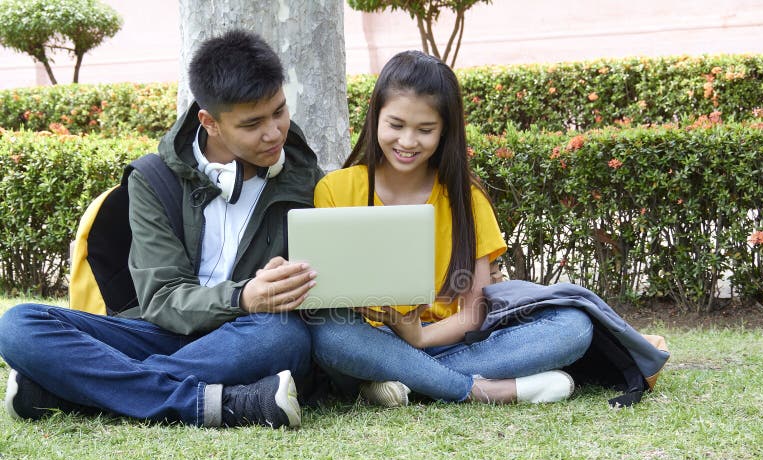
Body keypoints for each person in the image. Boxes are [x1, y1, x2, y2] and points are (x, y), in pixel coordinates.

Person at [0, 30, 323, 428]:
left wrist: (280, 288)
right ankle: (218, 403)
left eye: (279, 111)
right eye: (253, 123)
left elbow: (316, 286)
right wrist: (242, 296)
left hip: (246, 336)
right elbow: (163, 299)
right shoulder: (153, 179)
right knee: (19, 325)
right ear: (210, 122)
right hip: (158, 331)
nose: (274, 132)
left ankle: (74, 392)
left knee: (284, 336)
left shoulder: (304, 177)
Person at [307, 50, 594, 407]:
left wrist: (419, 338)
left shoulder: (467, 198)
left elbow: (474, 312)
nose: (408, 142)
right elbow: (329, 298)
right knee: (331, 336)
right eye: (396, 125)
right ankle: (479, 390)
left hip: (443, 338)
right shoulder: (335, 190)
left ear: (444, 131)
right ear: (375, 117)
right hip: (368, 342)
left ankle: (406, 381)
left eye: (425, 130)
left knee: (574, 327)